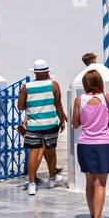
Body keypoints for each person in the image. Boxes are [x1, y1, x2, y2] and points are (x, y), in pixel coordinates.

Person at [72, 69, 109, 218]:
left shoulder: (79, 100)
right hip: (104, 144)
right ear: (100, 82)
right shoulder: (107, 98)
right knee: (100, 183)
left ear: (86, 84)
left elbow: (75, 124)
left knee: (89, 182)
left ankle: (92, 216)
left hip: (85, 144)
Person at [17, 59, 66, 197]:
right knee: (51, 153)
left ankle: (32, 184)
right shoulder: (54, 85)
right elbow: (58, 105)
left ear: (34, 72)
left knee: (33, 153)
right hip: (50, 124)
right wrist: (62, 121)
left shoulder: (26, 87)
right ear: (47, 72)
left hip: (33, 126)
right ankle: (51, 179)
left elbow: (20, 106)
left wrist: (32, 107)